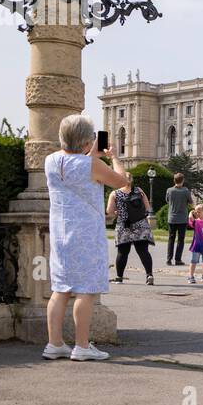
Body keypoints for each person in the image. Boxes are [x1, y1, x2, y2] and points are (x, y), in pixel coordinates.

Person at [43, 114, 131, 362]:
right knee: (86, 290)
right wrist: (112, 157)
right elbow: (122, 183)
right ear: (85, 142)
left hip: (60, 232)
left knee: (60, 289)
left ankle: (54, 344)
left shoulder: (50, 161)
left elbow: (73, 167)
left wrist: (90, 153)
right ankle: (81, 346)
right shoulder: (91, 165)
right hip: (86, 234)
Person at [108, 178, 155, 285]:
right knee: (143, 251)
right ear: (132, 180)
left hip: (124, 226)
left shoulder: (115, 193)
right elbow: (148, 208)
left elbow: (109, 211)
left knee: (122, 252)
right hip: (140, 225)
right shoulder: (139, 190)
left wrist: (117, 212)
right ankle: (149, 275)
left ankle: (119, 277)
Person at [165, 172, 191, 265]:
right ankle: (178, 259)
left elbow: (167, 200)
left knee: (171, 239)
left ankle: (168, 259)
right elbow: (190, 201)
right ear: (183, 180)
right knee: (180, 239)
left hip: (172, 218)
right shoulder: (186, 191)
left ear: (174, 180)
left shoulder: (169, 190)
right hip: (182, 218)